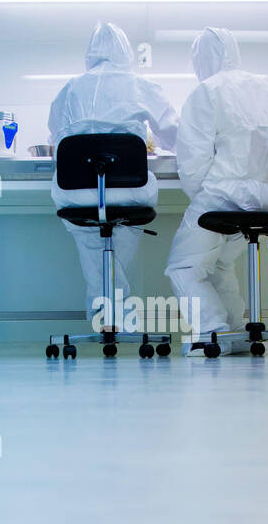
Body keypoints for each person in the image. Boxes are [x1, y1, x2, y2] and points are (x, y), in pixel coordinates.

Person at [166, 27, 268, 348]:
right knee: (221, 265)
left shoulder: (207, 91)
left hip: (222, 199)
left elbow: (192, 164)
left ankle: (213, 331)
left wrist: (203, 200)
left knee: (184, 266)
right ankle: (236, 335)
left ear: (201, 61)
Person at [49, 22, 178, 321]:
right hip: (128, 190)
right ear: (126, 53)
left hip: (77, 192)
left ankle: (103, 318)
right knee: (122, 250)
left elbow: (57, 139)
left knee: (93, 252)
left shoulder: (70, 88)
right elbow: (173, 134)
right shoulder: (139, 85)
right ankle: (121, 318)